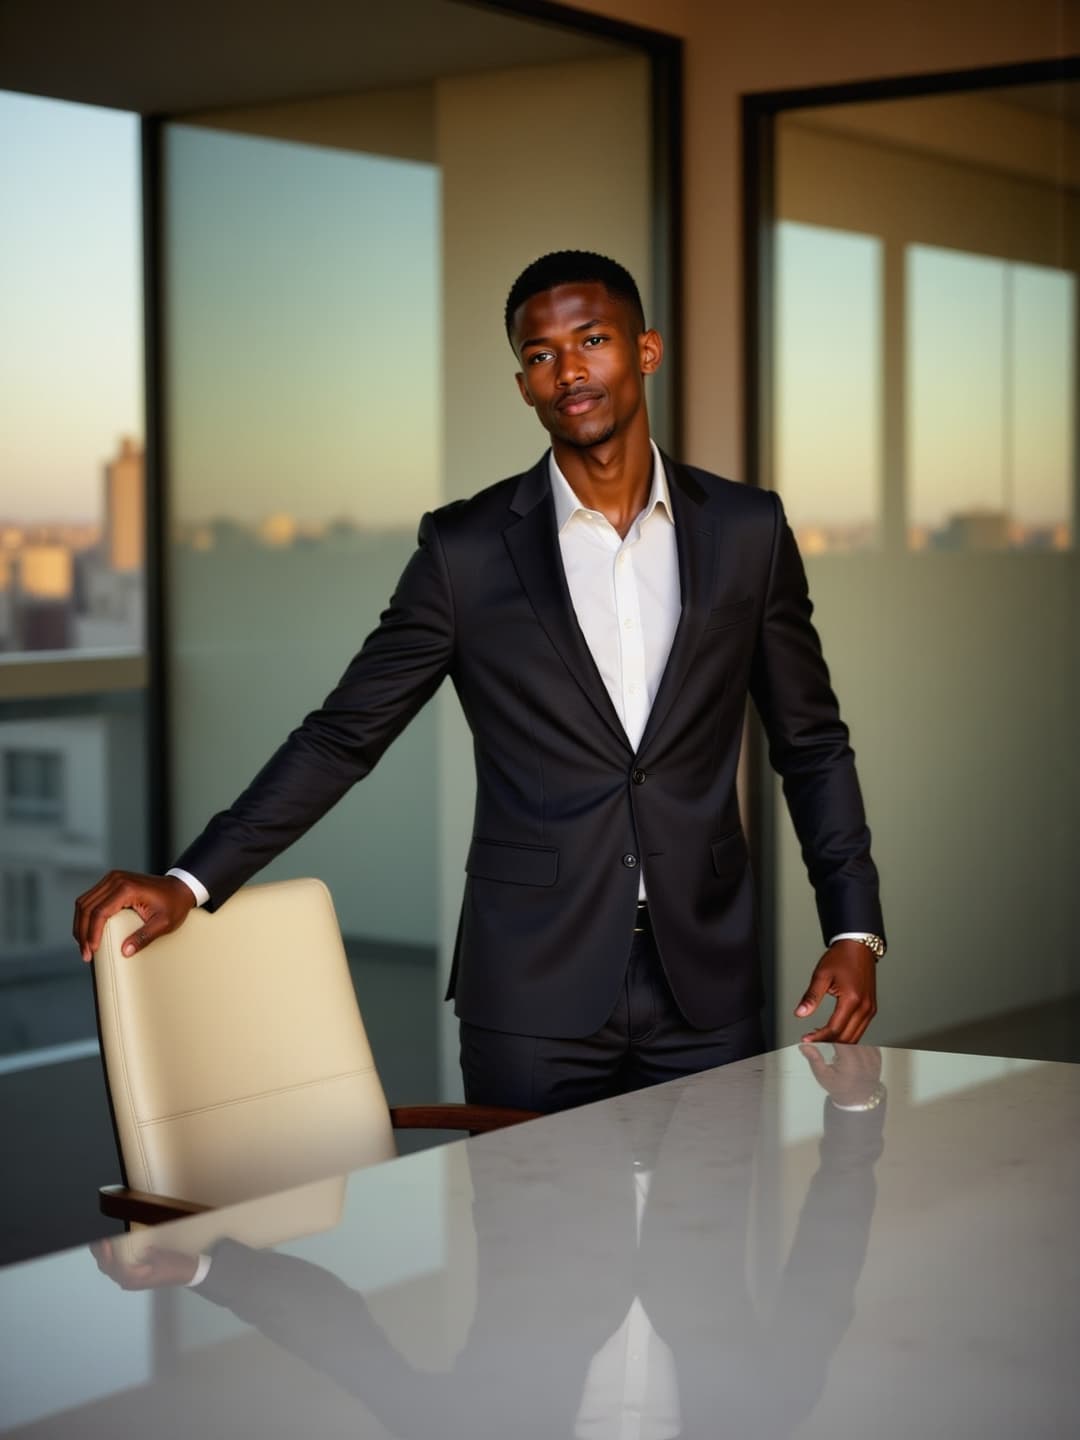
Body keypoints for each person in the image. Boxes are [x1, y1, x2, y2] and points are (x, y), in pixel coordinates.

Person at [73, 250, 885, 1113]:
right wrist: (191, 880)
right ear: (523, 385)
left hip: (707, 980)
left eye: (594, 339)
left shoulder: (748, 528)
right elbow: (344, 735)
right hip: (531, 991)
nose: (569, 370)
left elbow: (811, 742)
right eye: (541, 356)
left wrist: (853, 925)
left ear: (646, 350)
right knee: (531, 1244)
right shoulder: (465, 552)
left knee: (715, 1241)